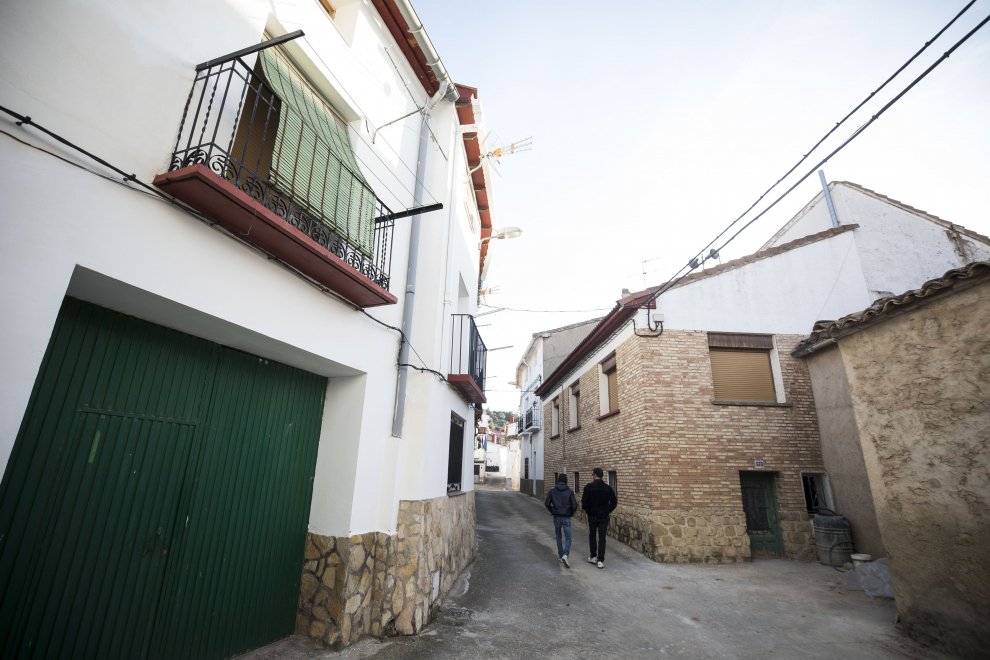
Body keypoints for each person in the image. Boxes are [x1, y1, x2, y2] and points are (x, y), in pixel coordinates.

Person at [581, 468, 617, 568]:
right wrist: (607, 510)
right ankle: (601, 560)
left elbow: (584, 503)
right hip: (604, 517)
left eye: (593, 474)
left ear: (595, 475)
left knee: (592, 535)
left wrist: (589, 511)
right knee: (602, 538)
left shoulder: (589, 487)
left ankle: (593, 556)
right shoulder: (608, 488)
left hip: (593, 516)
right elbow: (614, 502)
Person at [544, 473, 577, 567]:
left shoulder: (552, 490)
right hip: (566, 516)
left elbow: (547, 503)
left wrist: (553, 510)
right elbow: (574, 505)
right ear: (566, 480)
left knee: (558, 536)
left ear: (558, 480)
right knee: (568, 537)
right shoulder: (570, 491)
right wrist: (570, 513)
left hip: (557, 516)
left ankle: (560, 555)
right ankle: (566, 554)